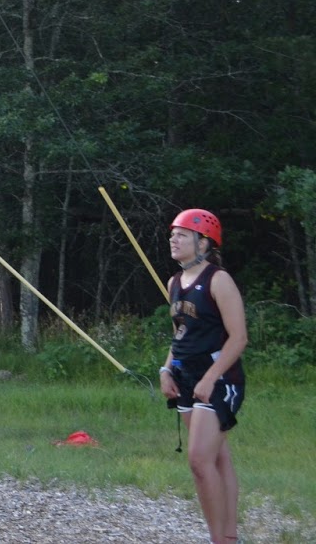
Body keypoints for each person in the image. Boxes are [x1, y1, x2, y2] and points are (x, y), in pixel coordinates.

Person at [159, 209, 245, 544]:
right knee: (216, 458)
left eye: (182, 234)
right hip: (185, 376)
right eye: (172, 234)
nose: (173, 239)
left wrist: (210, 378)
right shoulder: (173, 283)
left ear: (204, 241)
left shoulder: (218, 280)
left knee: (198, 460)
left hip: (220, 378)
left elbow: (238, 338)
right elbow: (179, 335)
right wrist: (167, 369)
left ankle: (220, 540)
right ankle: (228, 536)